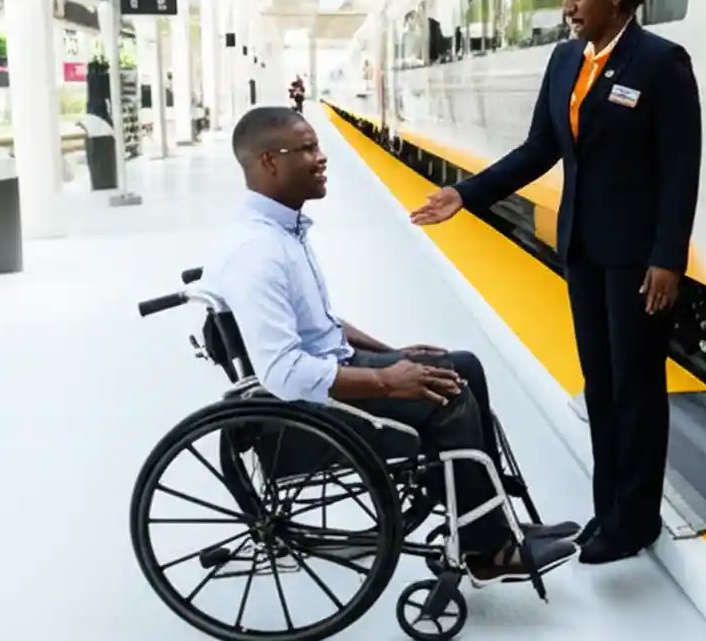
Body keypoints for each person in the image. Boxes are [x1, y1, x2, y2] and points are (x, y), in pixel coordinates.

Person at [411, 0, 702, 566]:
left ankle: (637, 521)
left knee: (637, 389)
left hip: (635, 261)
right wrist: (467, 193)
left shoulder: (660, 63)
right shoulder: (566, 60)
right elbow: (541, 147)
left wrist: (667, 259)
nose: (565, 7)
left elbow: (681, 170)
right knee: (600, 386)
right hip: (583, 250)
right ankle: (609, 511)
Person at [207, 106, 581, 584]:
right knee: (450, 397)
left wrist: (396, 355)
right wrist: (386, 379)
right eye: (306, 149)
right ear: (269, 162)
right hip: (310, 408)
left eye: (318, 146)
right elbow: (283, 372)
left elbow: (318, 323)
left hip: (327, 370)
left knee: (463, 365)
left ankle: (488, 519)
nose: (322, 158)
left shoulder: (280, 230)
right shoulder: (257, 253)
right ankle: (487, 552)